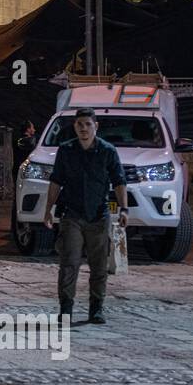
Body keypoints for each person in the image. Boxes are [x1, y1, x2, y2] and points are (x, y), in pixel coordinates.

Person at [43, 107, 127, 325]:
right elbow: (56, 181)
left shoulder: (108, 151)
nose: (84, 128)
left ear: (95, 126)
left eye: (88, 124)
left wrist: (124, 209)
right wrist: (48, 210)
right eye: (80, 124)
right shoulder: (66, 150)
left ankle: (96, 308)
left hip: (99, 214)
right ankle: (66, 309)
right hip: (72, 213)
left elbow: (119, 181)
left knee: (99, 265)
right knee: (69, 263)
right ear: (75, 127)